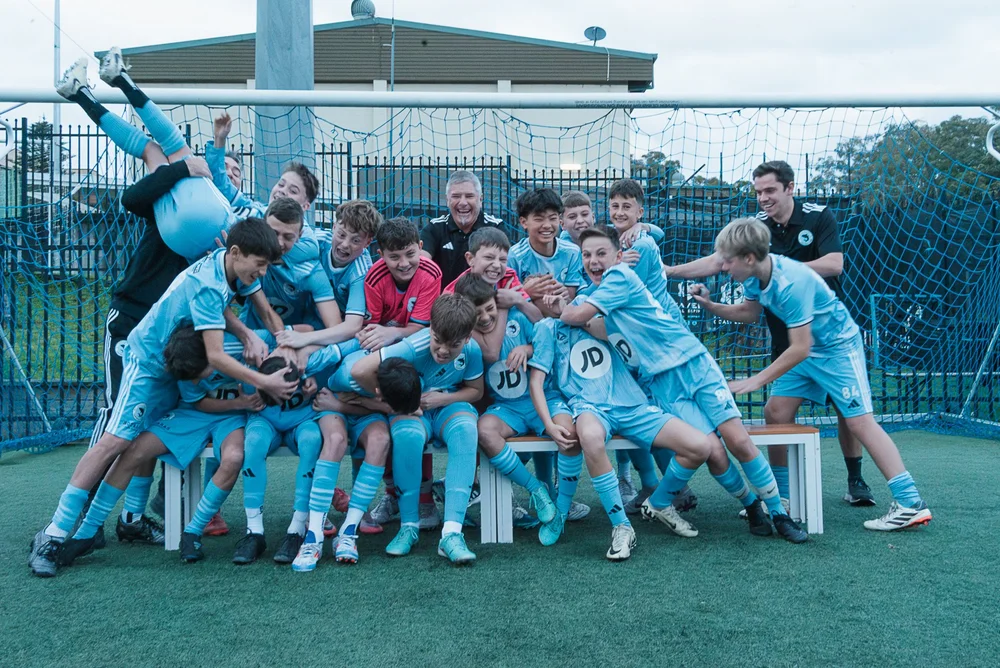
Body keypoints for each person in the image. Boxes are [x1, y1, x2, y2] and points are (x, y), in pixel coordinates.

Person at [28, 218, 298, 577]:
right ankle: (55, 532)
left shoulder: (232, 268)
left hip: (181, 364)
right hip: (151, 364)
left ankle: (129, 520)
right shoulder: (206, 284)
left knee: (143, 442)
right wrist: (268, 381)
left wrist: (280, 344)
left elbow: (262, 310)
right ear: (235, 253)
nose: (262, 274)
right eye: (259, 265)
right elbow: (215, 356)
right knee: (116, 441)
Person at [560, 226, 808, 543]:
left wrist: (562, 306)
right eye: (586, 255)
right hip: (663, 384)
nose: (593, 261)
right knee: (714, 451)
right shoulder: (605, 303)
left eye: (601, 253)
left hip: (693, 364)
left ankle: (779, 514)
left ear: (619, 257)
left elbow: (576, 315)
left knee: (738, 440)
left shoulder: (618, 278)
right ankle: (751, 506)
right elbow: (592, 326)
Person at [691, 217, 932, 531]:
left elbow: (800, 348)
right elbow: (749, 314)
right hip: (807, 351)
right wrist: (711, 305)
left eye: (727, 260)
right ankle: (782, 497)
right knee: (775, 411)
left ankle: (910, 502)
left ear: (749, 258)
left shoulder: (793, 282)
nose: (721, 266)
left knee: (859, 421)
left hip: (837, 350)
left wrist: (756, 379)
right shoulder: (753, 275)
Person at [667, 161, 875, 507]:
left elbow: (834, 263)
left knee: (849, 413)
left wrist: (776, 271)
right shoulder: (755, 229)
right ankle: (782, 494)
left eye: (769, 191)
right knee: (775, 412)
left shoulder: (818, 216)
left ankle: (857, 480)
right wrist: (669, 270)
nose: (763, 198)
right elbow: (720, 263)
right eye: (758, 191)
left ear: (790, 188)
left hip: (829, 342)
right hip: (790, 342)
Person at [57, 327, 261, 566]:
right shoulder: (184, 353)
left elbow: (290, 333)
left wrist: (295, 337)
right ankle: (86, 532)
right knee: (135, 449)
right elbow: (197, 402)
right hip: (192, 412)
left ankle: (193, 531)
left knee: (235, 457)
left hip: (232, 417)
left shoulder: (240, 344)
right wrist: (239, 402)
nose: (197, 379)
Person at [529, 310, 713, 560]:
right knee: (589, 437)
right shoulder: (547, 327)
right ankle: (622, 526)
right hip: (589, 406)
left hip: (633, 404)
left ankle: (658, 502)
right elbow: (537, 378)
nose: (553, 293)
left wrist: (582, 315)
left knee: (700, 446)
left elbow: (626, 333)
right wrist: (549, 423)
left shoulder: (601, 306)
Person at [350, 294, 484, 564]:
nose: (444, 351)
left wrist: (443, 398)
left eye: (454, 344)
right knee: (407, 436)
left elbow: (476, 391)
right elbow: (360, 370)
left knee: (466, 432)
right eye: (438, 340)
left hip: (449, 405)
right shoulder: (414, 346)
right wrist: (392, 403)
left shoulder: (472, 350)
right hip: (413, 410)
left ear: (468, 337)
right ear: (430, 329)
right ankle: (408, 527)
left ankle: (452, 534)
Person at [289, 342, 422, 570]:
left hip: (362, 411)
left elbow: (408, 409)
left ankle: (348, 532)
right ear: (378, 392)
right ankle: (313, 536)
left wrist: (362, 404)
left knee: (380, 440)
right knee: (336, 440)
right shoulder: (349, 374)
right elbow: (330, 400)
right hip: (332, 407)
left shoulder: (400, 371)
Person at [453, 274, 559, 526]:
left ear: (496, 302)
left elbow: (550, 343)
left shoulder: (519, 319)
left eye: (489, 308)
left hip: (543, 400)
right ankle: (536, 489)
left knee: (566, 430)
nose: (485, 317)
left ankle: (561, 502)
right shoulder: (468, 338)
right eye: (476, 314)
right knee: (485, 431)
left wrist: (528, 349)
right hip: (508, 408)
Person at [362, 217, 444, 531]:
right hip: (383, 355)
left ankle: (425, 500)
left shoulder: (431, 272)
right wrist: (383, 334)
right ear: (380, 254)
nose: (404, 263)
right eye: (394, 256)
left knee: (412, 420)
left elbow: (422, 330)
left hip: (418, 352)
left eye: (410, 254)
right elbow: (372, 331)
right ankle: (390, 494)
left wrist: (389, 333)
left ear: (420, 249)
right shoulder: (373, 278)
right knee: (381, 420)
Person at [507, 189, 585, 318]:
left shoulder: (572, 252)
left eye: (552, 218)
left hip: (562, 315)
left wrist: (565, 294)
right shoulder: (515, 256)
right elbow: (506, 298)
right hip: (529, 317)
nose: (547, 225)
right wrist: (526, 292)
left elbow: (571, 296)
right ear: (523, 222)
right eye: (539, 219)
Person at [421, 170, 505, 286]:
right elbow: (421, 266)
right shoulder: (435, 227)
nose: (463, 202)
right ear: (447, 200)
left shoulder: (496, 227)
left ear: (480, 200)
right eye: (456, 196)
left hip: (483, 301)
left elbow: (504, 267)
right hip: (444, 301)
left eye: (469, 196)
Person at [441, 228, 541, 323]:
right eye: (489, 257)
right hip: (472, 338)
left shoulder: (508, 277)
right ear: (470, 259)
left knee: (518, 316)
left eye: (502, 260)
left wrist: (518, 300)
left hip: (505, 336)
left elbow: (538, 319)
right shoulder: (454, 292)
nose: (497, 265)